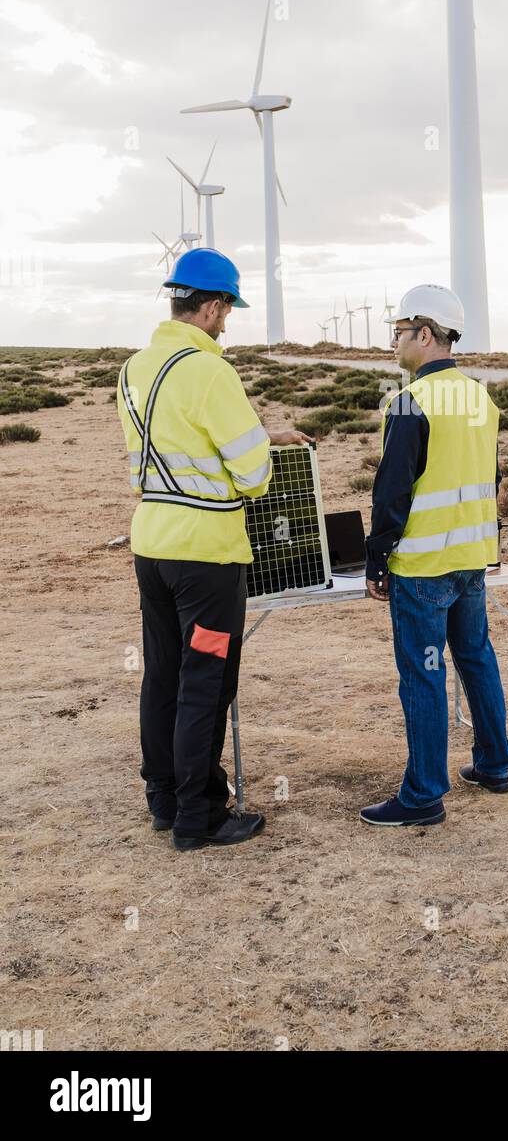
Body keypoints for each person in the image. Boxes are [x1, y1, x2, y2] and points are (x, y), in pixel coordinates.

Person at [116, 248, 309, 851]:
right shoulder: (210, 371)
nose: (228, 323)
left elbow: (176, 447)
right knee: (207, 683)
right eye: (228, 311)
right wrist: (263, 448)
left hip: (153, 547)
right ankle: (200, 817)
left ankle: (164, 801)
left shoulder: (134, 368)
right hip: (208, 558)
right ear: (213, 305)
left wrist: (258, 433)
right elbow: (252, 476)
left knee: (164, 677)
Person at [361, 284, 508, 827]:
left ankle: (424, 794)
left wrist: (377, 559)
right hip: (471, 559)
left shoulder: (409, 403)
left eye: (399, 332)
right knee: (475, 658)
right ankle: (495, 764)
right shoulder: (481, 398)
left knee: (424, 674)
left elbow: (392, 491)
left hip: (422, 568)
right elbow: (489, 478)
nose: (394, 343)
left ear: (425, 334)